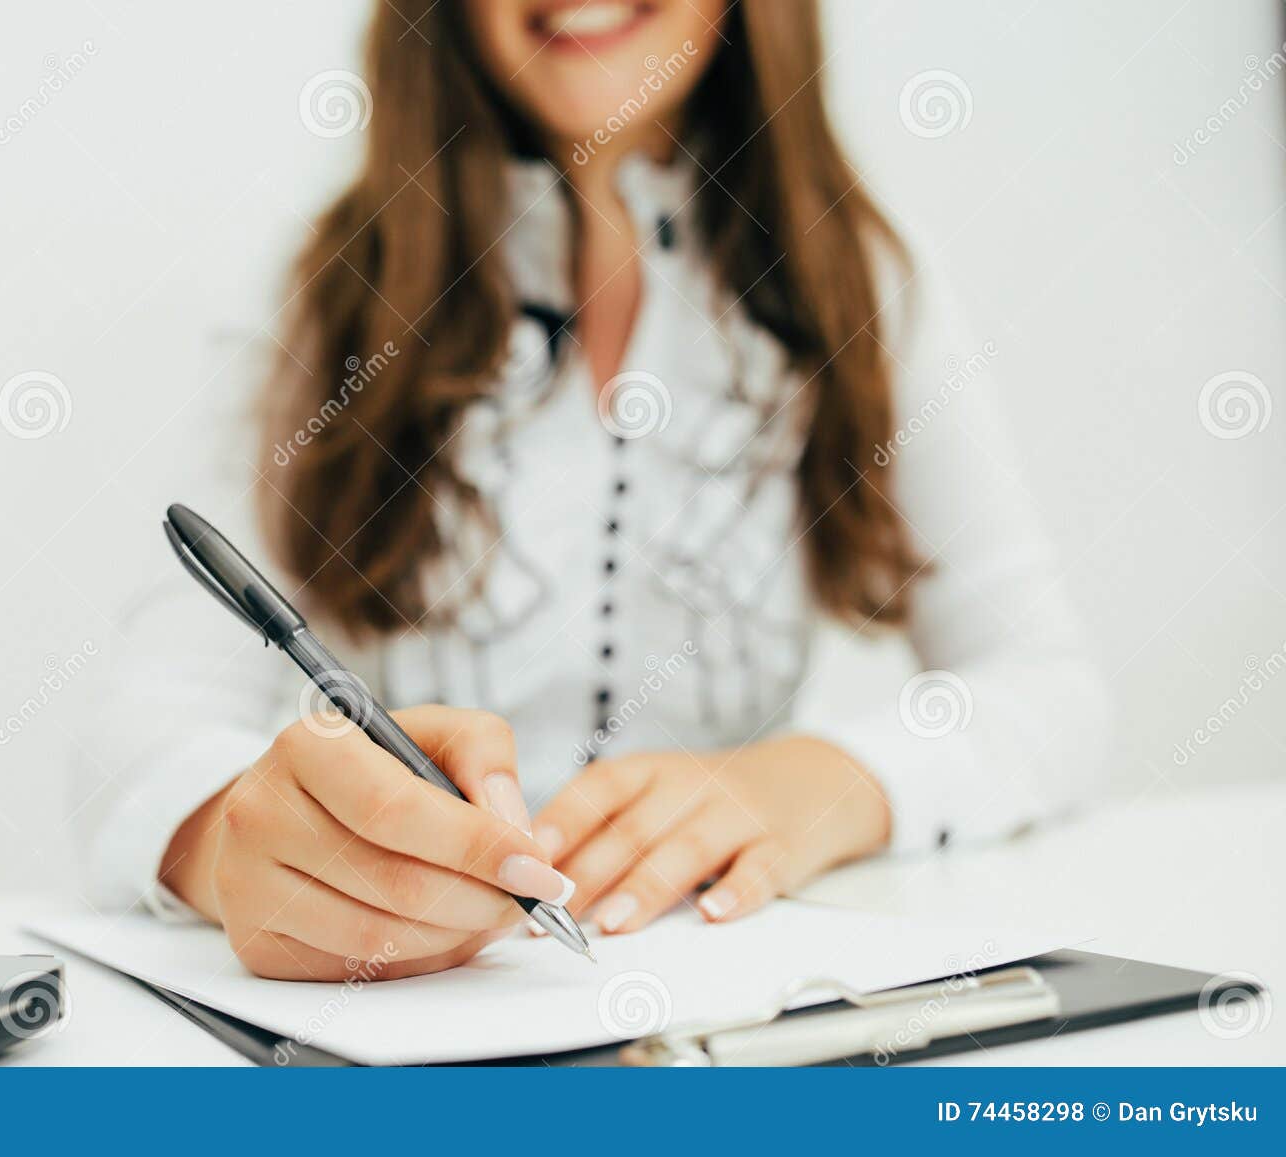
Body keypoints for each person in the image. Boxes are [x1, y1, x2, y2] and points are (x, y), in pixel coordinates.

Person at [80, 0, 1107, 980]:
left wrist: (819, 785)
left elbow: (1046, 691)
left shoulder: (861, 279)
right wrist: (230, 841)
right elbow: (142, 735)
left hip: (742, 998)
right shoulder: (323, 290)